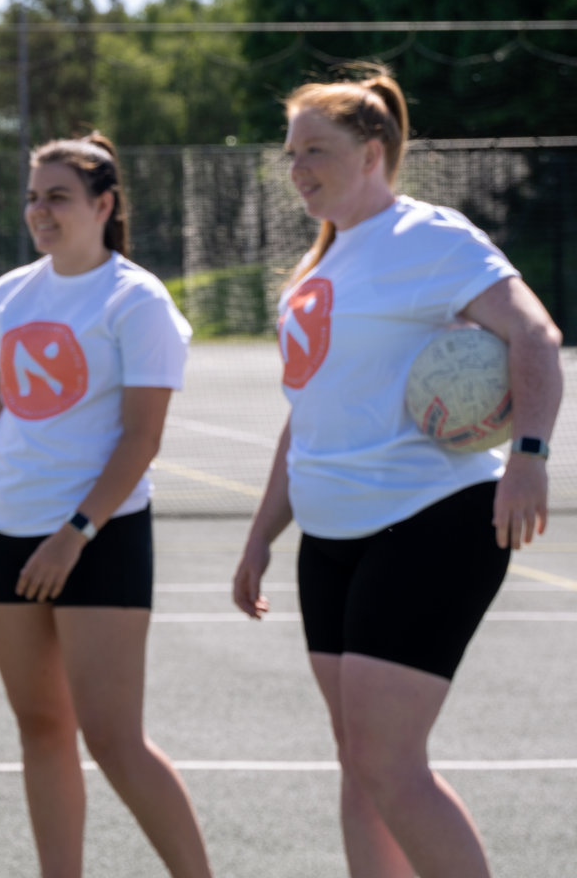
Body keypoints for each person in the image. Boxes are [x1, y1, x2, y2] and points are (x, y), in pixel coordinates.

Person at [231, 69, 563, 878]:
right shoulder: (318, 269)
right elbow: (308, 412)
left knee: (390, 765)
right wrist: (259, 538)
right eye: (291, 153)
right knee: (361, 766)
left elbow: (536, 337)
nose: (298, 167)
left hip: (430, 522)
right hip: (331, 537)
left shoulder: (430, 237)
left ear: (373, 152)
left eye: (317, 149)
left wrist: (528, 457)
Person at [0, 134, 213, 878]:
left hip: (100, 540)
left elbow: (143, 435)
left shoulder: (137, 299)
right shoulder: (8, 294)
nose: (40, 211)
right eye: (33, 196)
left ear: (104, 204)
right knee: (41, 729)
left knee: (114, 739)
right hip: (3, 536)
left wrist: (75, 533)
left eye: (57, 196)